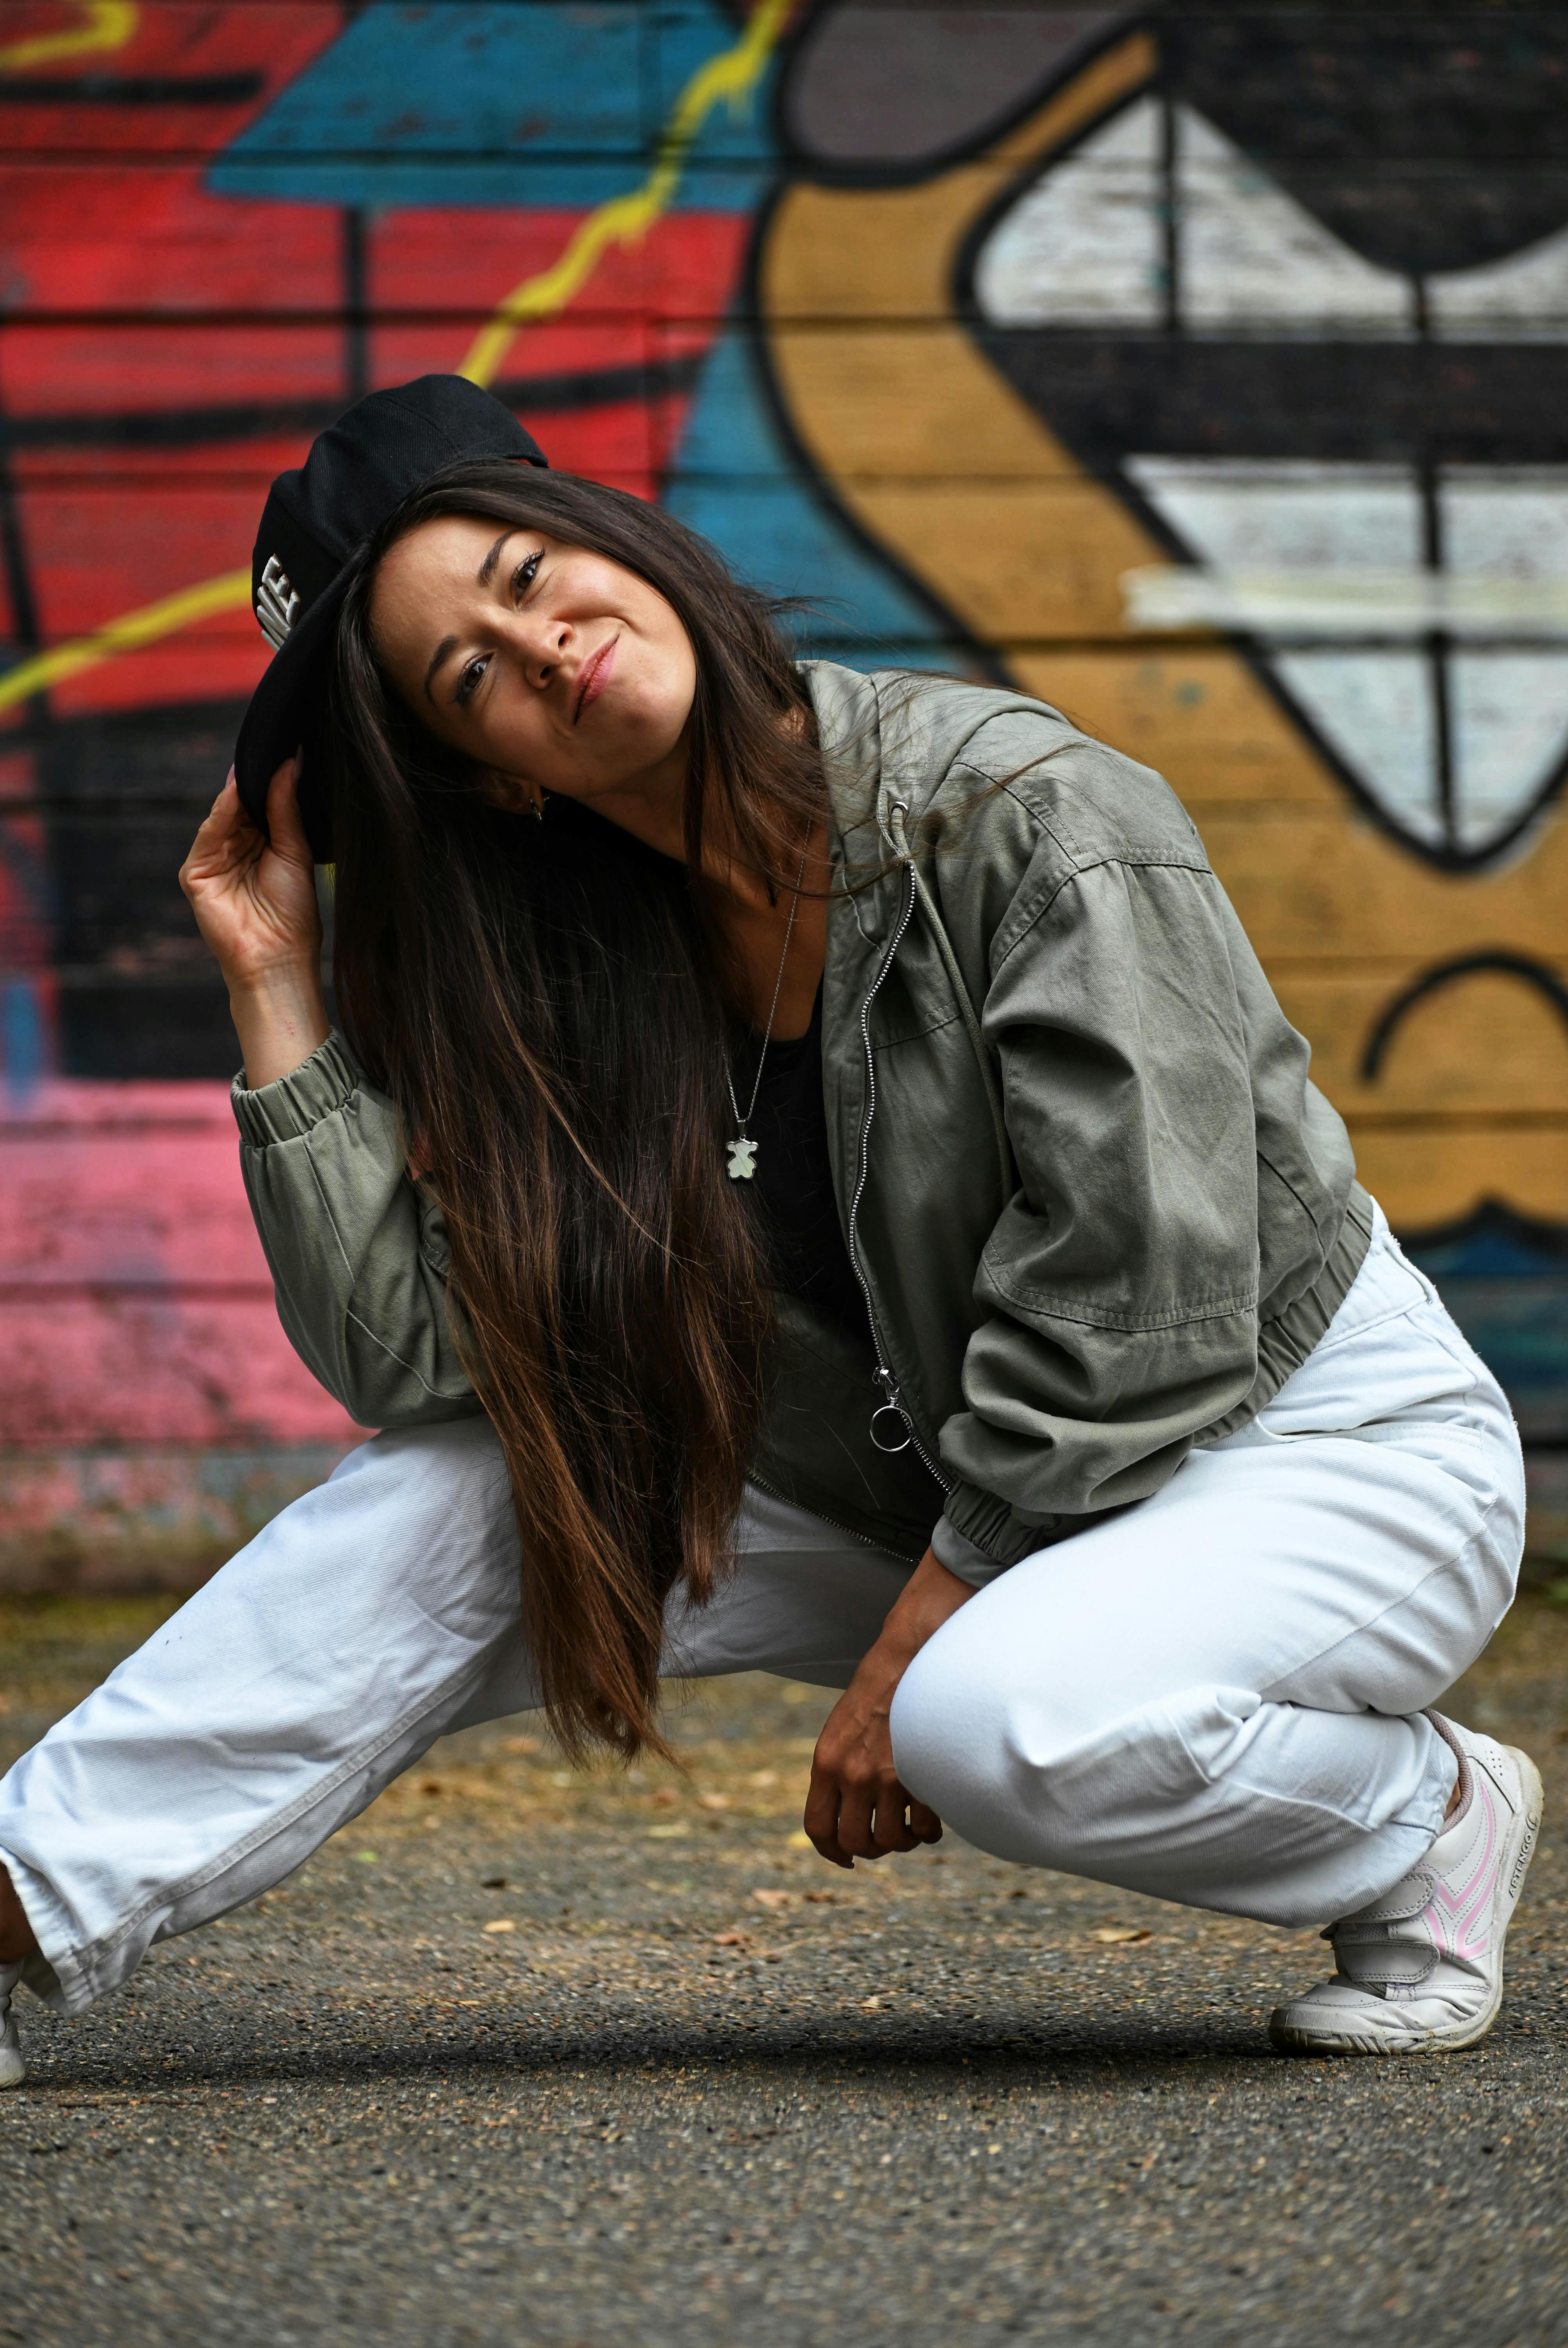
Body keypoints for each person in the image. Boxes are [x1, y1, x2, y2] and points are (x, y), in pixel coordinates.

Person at [0, 376, 1539, 2087]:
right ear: (489, 779)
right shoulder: (594, 978)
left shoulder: (1019, 811)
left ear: (622, 546)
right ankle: (20, 1904)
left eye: (526, 576)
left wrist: (915, 1638)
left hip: (1302, 1439)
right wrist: (272, 984)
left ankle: (1423, 1823)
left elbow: (1147, 1287)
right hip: (926, 1478)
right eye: (470, 679)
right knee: (449, 1495)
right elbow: (418, 1358)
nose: (542, 648)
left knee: (991, 1719)